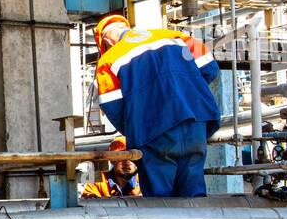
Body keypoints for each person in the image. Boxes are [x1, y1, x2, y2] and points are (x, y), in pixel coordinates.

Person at [94, 14, 220, 197]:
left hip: (153, 135)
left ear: (106, 42)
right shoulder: (176, 37)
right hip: (196, 123)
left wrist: (140, 126)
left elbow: (113, 108)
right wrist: (187, 94)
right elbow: (210, 68)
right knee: (194, 199)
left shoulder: (108, 60)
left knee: (159, 205)